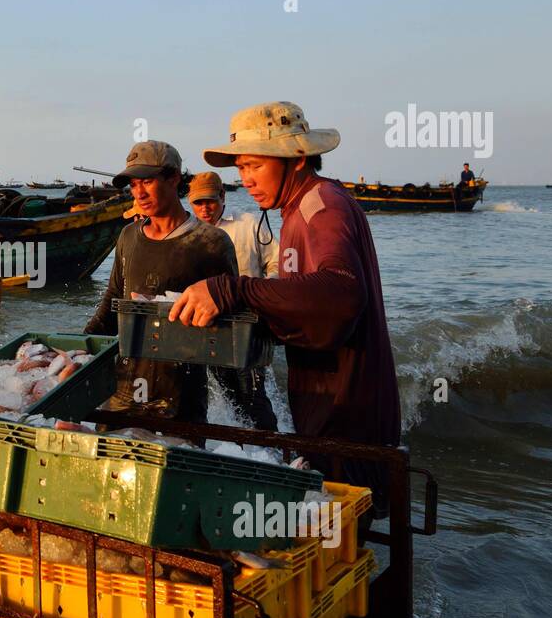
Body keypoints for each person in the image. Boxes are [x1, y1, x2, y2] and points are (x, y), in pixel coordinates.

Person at [168, 101, 400, 517]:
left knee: (342, 544)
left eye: (255, 166)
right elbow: (307, 306)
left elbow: (341, 294)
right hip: (328, 413)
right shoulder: (295, 211)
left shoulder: (321, 206)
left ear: (294, 157)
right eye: (240, 169)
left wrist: (233, 289)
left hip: (349, 417)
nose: (246, 180)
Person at [83, 142, 238, 425]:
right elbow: (113, 300)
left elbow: (229, 328)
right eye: (133, 184)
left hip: (181, 400)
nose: (138, 192)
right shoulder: (128, 236)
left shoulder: (211, 243)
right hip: (121, 392)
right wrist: (81, 347)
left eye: (147, 182)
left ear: (174, 178)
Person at [187, 171, 279, 432]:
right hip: (209, 328)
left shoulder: (249, 224)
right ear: (189, 203)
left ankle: (272, 451)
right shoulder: (188, 233)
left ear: (223, 197)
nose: (204, 208)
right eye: (198, 202)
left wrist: (264, 294)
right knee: (224, 393)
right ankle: (241, 448)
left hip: (250, 326)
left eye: (210, 201)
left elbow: (277, 263)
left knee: (253, 394)